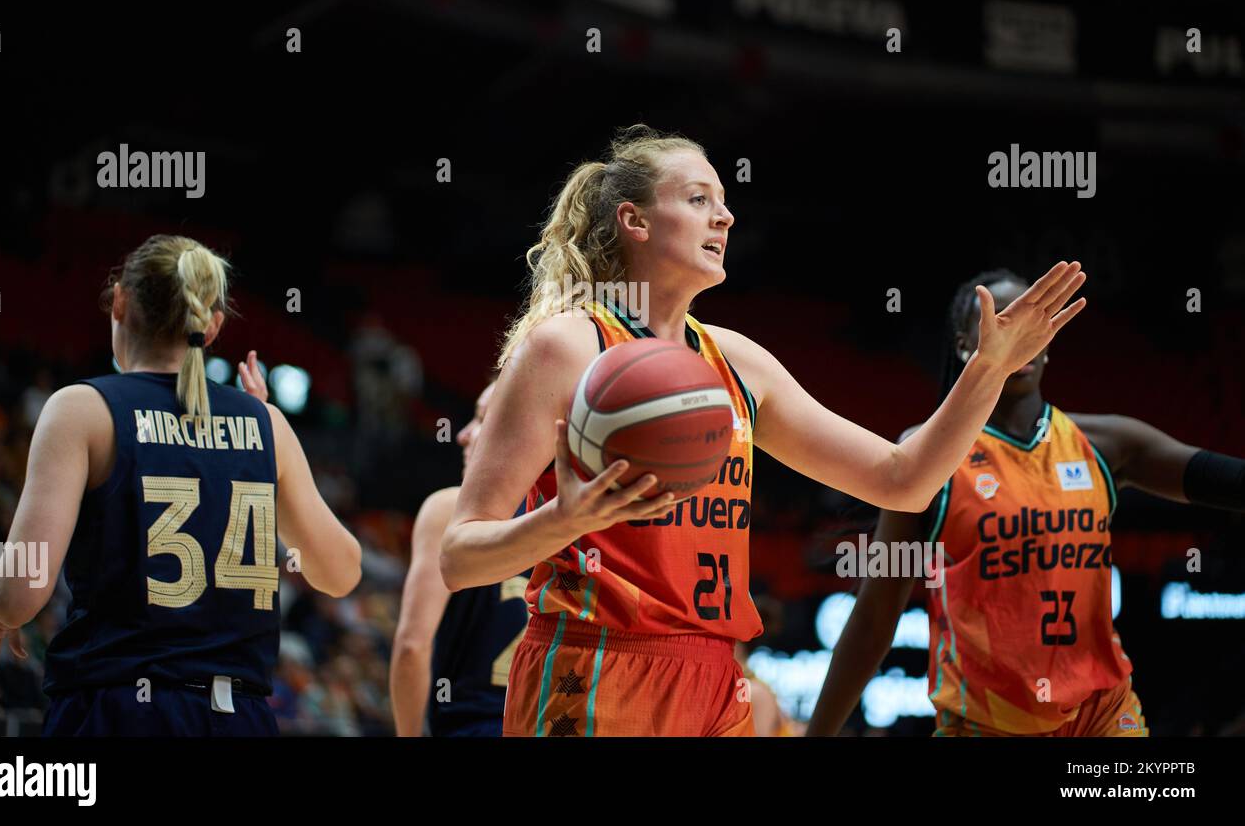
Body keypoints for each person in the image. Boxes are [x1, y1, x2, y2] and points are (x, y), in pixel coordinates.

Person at [440, 125, 1087, 736]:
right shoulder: (566, 347)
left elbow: (904, 480)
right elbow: (460, 557)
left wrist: (989, 368)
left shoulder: (737, 361)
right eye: (698, 200)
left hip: (720, 675)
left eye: (724, 203)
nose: (724, 217)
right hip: (598, 669)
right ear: (633, 221)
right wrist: (560, 522)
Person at [808, 269, 1245, 737]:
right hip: (987, 721)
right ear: (964, 347)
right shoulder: (925, 456)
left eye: (1027, 321)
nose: (1014, 336)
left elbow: (1224, 479)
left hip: (1102, 712)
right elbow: (875, 615)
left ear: (1048, 335)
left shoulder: (1105, 442)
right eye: (997, 324)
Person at [0, 235, 361, 736]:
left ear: (120, 302)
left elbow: (21, 592)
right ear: (212, 326)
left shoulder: (81, 409)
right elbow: (341, 574)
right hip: (242, 717)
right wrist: (262, 438)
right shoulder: (267, 425)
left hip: (121, 711)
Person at [390, 380, 530, 736]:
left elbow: (411, 646)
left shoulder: (449, 508)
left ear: (521, 432)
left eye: (483, 419)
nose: (463, 435)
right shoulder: (575, 522)